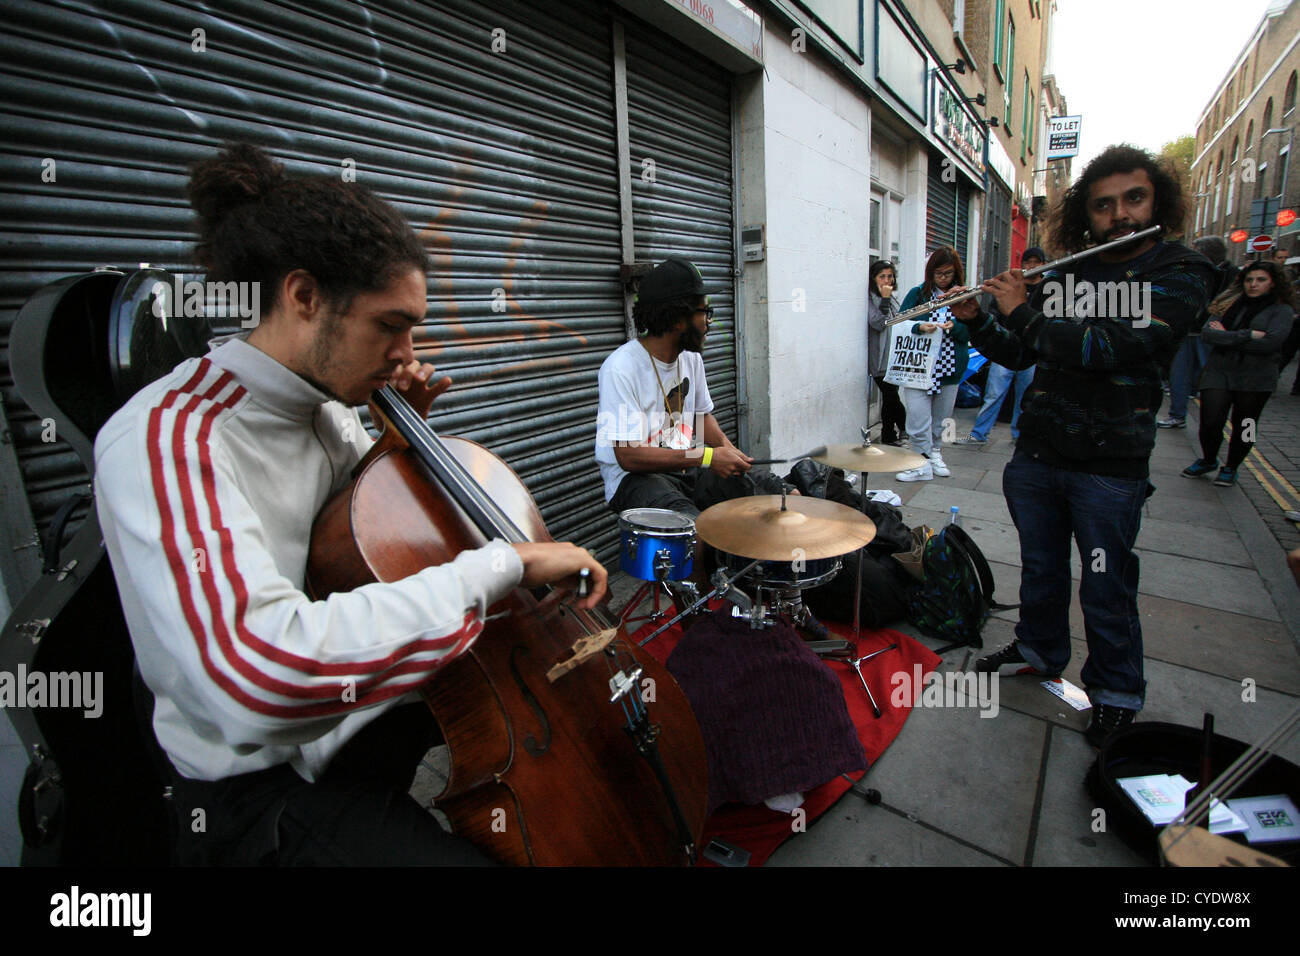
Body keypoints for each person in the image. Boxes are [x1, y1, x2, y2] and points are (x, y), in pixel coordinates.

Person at [93, 143, 608, 865]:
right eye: (389, 325)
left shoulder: (328, 405)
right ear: (304, 297)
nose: (407, 354)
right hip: (265, 789)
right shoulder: (169, 439)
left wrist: (394, 452)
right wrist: (501, 564)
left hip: (358, 726)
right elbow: (261, 676)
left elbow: (340, 552)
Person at [949, 144, 1214, 747]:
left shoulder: (1182, 272)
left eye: (1134, 199)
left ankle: (1116, 690)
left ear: (1157, 202)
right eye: (1104, 205)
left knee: (1106, 581)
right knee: (1041, 568)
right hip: (1039, 454)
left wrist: (1021, 312)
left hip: (1109, 467)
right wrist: (978, 319)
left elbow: (1113, 347)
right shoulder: (1067, 276)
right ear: (1085, 215)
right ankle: (1040, 650)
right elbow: (1024, 352)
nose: (1119, 214)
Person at [595, 256, 788, 518]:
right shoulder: (620, 368)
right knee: (692, 530)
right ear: (676, 319)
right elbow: (628, 456)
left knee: (774, 493)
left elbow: (701, 417)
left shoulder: (691, 358)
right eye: (704, 312)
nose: (708, 322)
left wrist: (729, 452)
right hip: (632, 478)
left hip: (684, 465)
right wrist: (707, 457)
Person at [1181, 260, 1295, 486]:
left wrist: (1228, 336)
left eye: (1261, 280)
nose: (1253, 285)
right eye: (1249, 280)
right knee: (1210, 421)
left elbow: (1272, 342)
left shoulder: (1282, 310)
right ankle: (1208, 459)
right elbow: (1208, 334)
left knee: (1247, 425)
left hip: (1257, 377)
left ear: (1273, 283)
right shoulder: (1228, 303)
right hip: (1220, 370)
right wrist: (1250, 335)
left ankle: (1232, 466)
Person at [893, 247, 972, 481]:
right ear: (930, 273)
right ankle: (920, 460)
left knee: (941, 418)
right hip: (918, 365)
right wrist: (920, 327)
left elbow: (970, 331)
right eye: (938, 273)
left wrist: (955, 327)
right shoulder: (918, 294)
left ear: (956, 272)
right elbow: (900, 322)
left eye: (947, 273)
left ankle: (935, 453)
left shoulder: (964, 295)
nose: (943, 278)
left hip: (949, 367)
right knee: (917, 417)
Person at [956, 247, 1044, 445]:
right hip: (1006, 346)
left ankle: (1018, 435)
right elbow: (995, 312)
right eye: (1028, 262)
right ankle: (979, 434)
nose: (1031, 266)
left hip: (1032, 352)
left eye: (1036, 262)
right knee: (993, 394)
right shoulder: (1013, 285)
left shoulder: (1048, 288)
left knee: (1025, 397)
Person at [1159, 236, 1238, 428]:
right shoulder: (1195, 270)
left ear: (1205, 252)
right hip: (1188, 332)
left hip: (1211, 333)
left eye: (1195, 250)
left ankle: (1214, 422)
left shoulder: (1231, 274)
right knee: (1179, 375)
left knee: (1211, 379)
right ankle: (1177, 415)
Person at [867, 259, 907, 446]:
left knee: (889, 398)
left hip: (894, 356)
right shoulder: (872, 299)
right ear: (874, 279)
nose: (887, 280)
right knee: (891, 396)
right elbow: (877, 323)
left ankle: (888, 435)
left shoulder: (893, 299)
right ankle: (904, 428)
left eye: (890, 276)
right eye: (882, 276)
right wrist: (884, 299)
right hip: (880, 358)